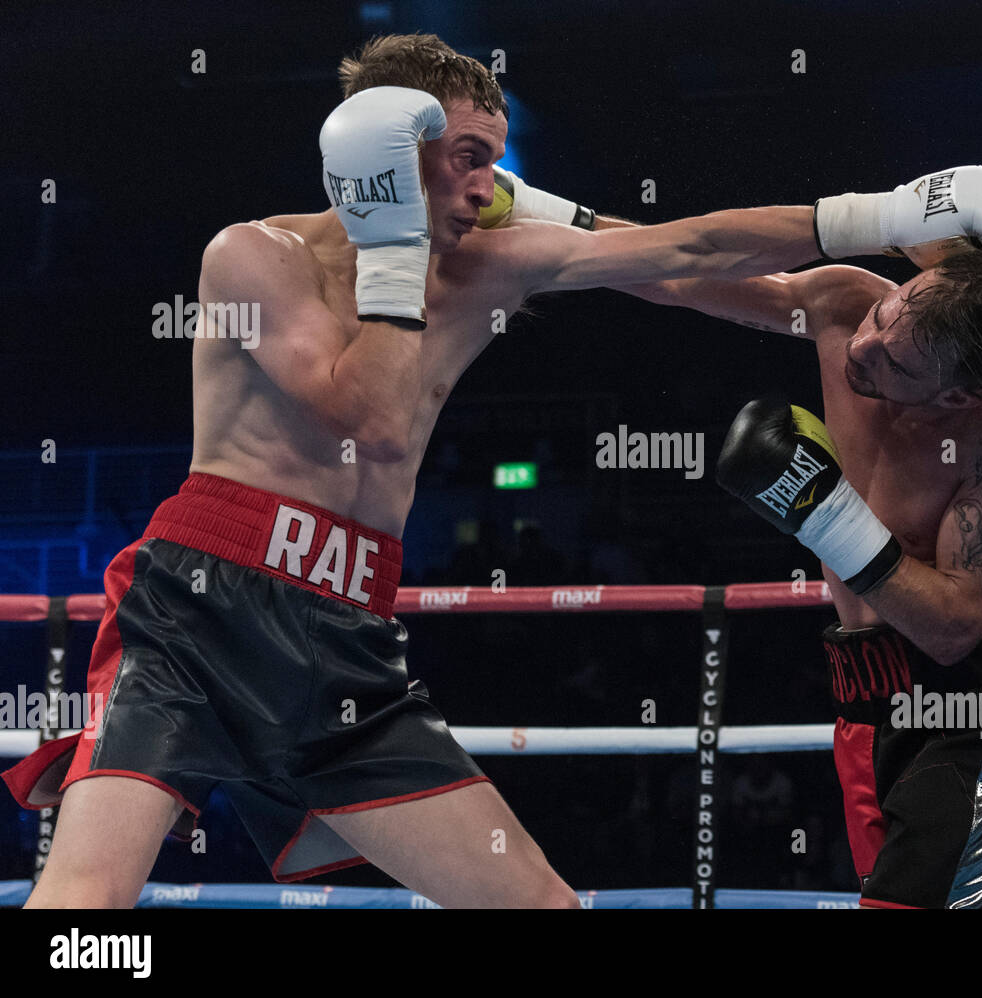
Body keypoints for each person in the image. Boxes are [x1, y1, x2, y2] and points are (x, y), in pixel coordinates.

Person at [3, 33, 895, 908]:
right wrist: (394, 245)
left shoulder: (482, 268)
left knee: (539, 904)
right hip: (198, 611)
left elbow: (681, 252)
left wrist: (882, 218)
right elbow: (371, 423)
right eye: (466, 158)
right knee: (88, 895)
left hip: (345, 632)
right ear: (387, 153)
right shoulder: (253, 256)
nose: (486, 191)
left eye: (494, 164)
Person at [615, 169, 982, 908]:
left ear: (956, 394)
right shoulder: (845, 304)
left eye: (897, 362)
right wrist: (538, 226)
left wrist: (822, 511)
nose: (865, 348)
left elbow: (954, 628)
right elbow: (675, 270)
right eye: (885, 315)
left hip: (979, 709)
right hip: (863, 701)